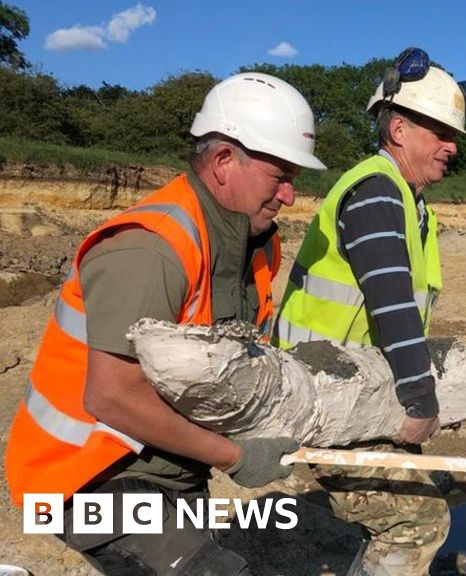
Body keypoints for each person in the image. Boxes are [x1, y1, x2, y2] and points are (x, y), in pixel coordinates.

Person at [4, 72, 326, 574]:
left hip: (169, 463)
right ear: (223, 162)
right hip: (85, 473)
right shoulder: (151, 247)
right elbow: (111, 396)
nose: (290, 194)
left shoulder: (254, 245)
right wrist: (234, 457)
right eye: (279, 175)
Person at [274, 47, 466, 575]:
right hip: (325, 389)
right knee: (419, 522)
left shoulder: (404, 196)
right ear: (400, 130)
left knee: (406, 514)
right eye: (441, 132)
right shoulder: (377, 191)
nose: (452, 146)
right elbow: (390, 300)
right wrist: (419, 397)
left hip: (347, 379)